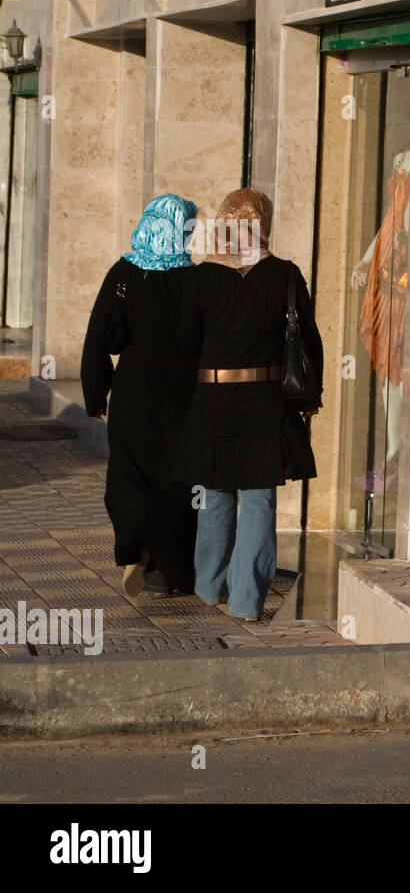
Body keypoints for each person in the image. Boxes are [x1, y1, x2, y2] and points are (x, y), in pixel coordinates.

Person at [174, 189, 323, 621]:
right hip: (265, 402)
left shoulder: (200, 279)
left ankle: (207, 589)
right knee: (259, 501)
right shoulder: (286, 275)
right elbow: (308, 341)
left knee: (214, 497)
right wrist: (310, 398)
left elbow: (186, 345)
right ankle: (245, 602)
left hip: (213, 399)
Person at [82, 193, 200, 597]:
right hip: (182, 398)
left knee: (130, 476)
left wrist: (96, 395)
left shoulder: (123, 273)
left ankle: (137, 548)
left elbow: (98, 337)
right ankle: (172, 570)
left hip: (133, 394)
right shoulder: (194, 281)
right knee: (178, 482)